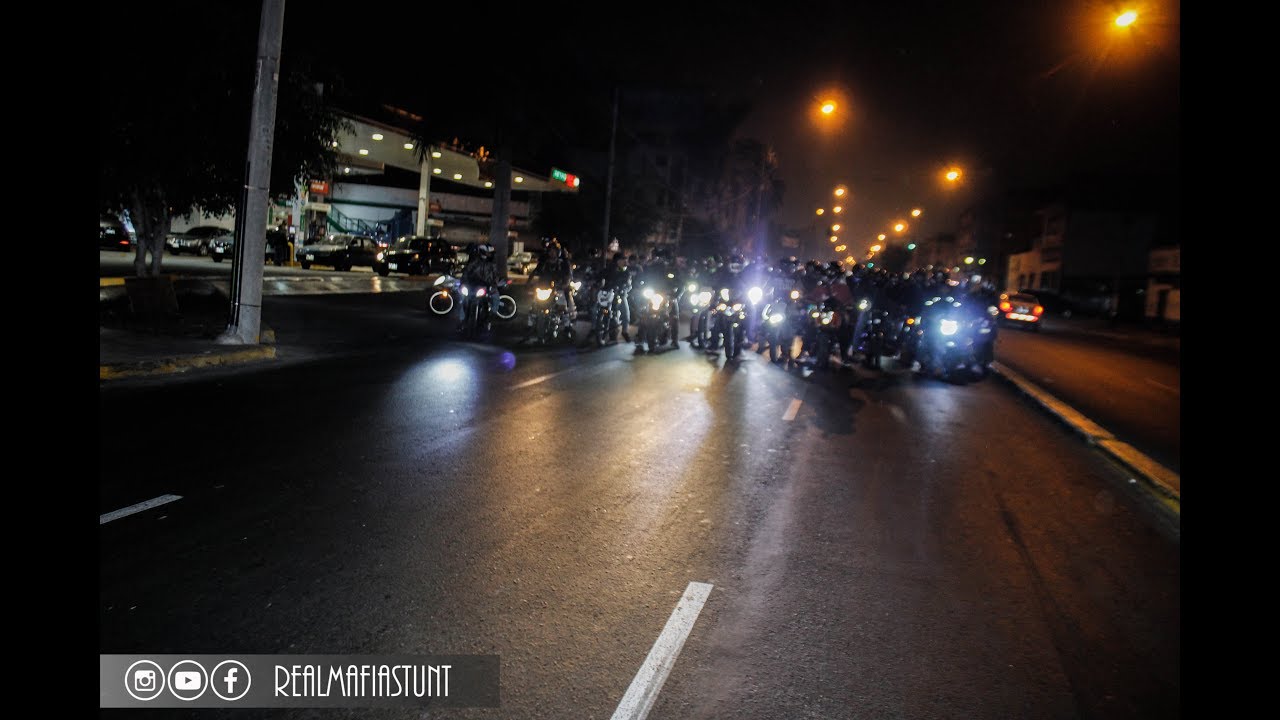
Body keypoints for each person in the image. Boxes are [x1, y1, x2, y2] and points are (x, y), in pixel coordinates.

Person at [530, 238, 576, 326]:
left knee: (563, 306)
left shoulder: (563, 263)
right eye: (550, 251)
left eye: (554, 251)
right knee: (534, 305)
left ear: (558, 252)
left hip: (558, 287)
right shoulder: (544, 263)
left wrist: (565, 283)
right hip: (544, 287)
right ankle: (530, 325)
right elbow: (535, 272)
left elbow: (568, 274)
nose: (552, 253)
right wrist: (529, 282)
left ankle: (567, 327)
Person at [458, 242, 500, 330]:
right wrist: (463, 283)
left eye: (490, 253)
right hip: (472, 286)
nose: (489, 255)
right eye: (487, 253)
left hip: (486, 287)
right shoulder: (474, 262)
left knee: (495, 297)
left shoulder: (493, 265)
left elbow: (496, 276)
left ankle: (492, 315)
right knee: (463, 299)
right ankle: (462, 321)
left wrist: (493, 285)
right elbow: (466, 272)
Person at [602, 252, 633, 342]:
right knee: (601, 310)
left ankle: (625, 331)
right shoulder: (609, 269)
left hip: (620, 294)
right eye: (623, 259)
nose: (625, 261)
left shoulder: (626, 271)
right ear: (617, 260)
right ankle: (599, 329)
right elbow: (601, 276)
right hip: (608, 294)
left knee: (626, 313)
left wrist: (624, 288)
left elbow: (628, 283)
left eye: (625, 260)